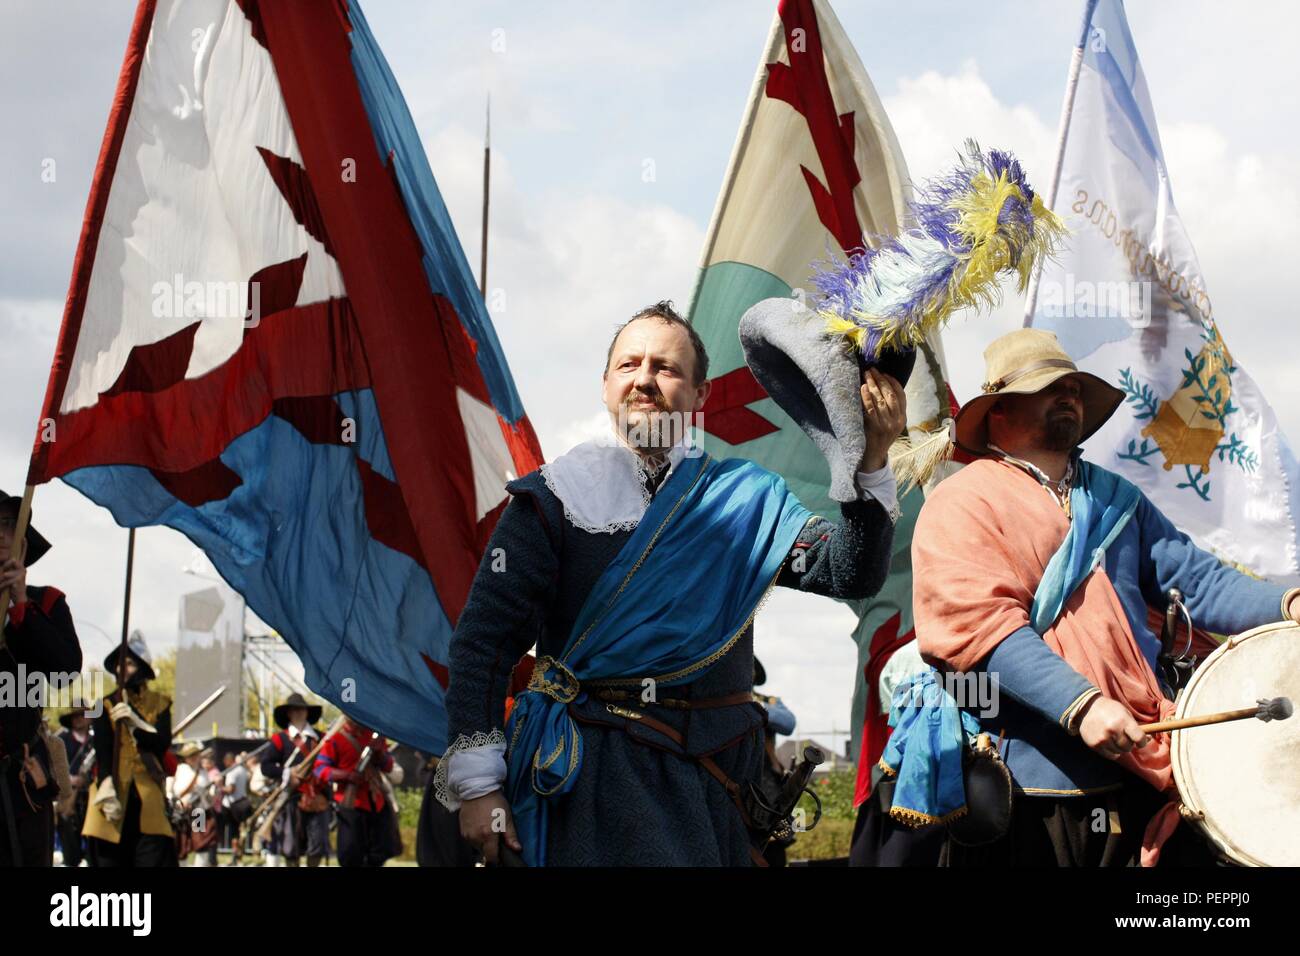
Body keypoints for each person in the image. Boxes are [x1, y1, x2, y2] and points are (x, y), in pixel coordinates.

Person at [437, 300, 904, 866]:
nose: (645, 380)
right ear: (606, 385)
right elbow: (484, 645)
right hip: (593, 779)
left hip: (716, 784)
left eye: (666, 368)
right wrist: (479, 785)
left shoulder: (745, 498)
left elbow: (847, 571)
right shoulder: (553, 498)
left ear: (700, 394)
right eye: (629, 365)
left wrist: (870, 461)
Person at [906, 328, 1300, 866]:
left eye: (1074, 387)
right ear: (998, 411)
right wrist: (1082, 705)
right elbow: (980, 630)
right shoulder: (961, 502)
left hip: (1141, 757)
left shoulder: (1116, 498)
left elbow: (1199, 583)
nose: (1068, 394)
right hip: (1033, 781)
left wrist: (1289, 605)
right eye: (1050, 387)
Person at [0, 491, 82, 867]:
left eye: (8, 526)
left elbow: (65, 671)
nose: (2, 535)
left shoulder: (46, 602)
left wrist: (20, 605)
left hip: (21, 782)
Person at [83, 631, 177, 867]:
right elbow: (103, 750)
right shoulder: (102, 705)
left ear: (142, 668)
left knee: (153, 857)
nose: (122, 668)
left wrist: (135, 720)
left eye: (130, 663)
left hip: (148, 792)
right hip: (113, 791)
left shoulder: (160, 702)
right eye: (119, 663)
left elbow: (161, 744)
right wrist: (105, 785)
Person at [315, 714, 397, 867]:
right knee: (350, 854)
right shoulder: (334, 739)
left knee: (378, 854)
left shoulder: (375, 737)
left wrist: (379, 754)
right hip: (350, 805)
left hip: (375, 802)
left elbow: (389, 766)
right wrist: (346, 775)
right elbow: (320, 770)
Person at [260, 692, 331, 867]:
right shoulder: (280, 739)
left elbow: (330, 763)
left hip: (317, 796)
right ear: (288, 714)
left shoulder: (321, 738)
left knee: (317, 845)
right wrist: (287, 773)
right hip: (291, 798)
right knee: (291, 846)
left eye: (302, 709)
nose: (299, 712)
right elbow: (266, 767)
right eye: (294, 709)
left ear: (307, 712)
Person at [56, 706, 95, 867]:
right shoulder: (62, 740)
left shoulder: (95, 740)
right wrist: (71, 780)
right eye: (76, 716)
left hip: (91, 798)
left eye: (83, 715)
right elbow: (54, 768)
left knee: (94, 851)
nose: (79, 719)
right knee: (70, 852)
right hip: (68, 798)